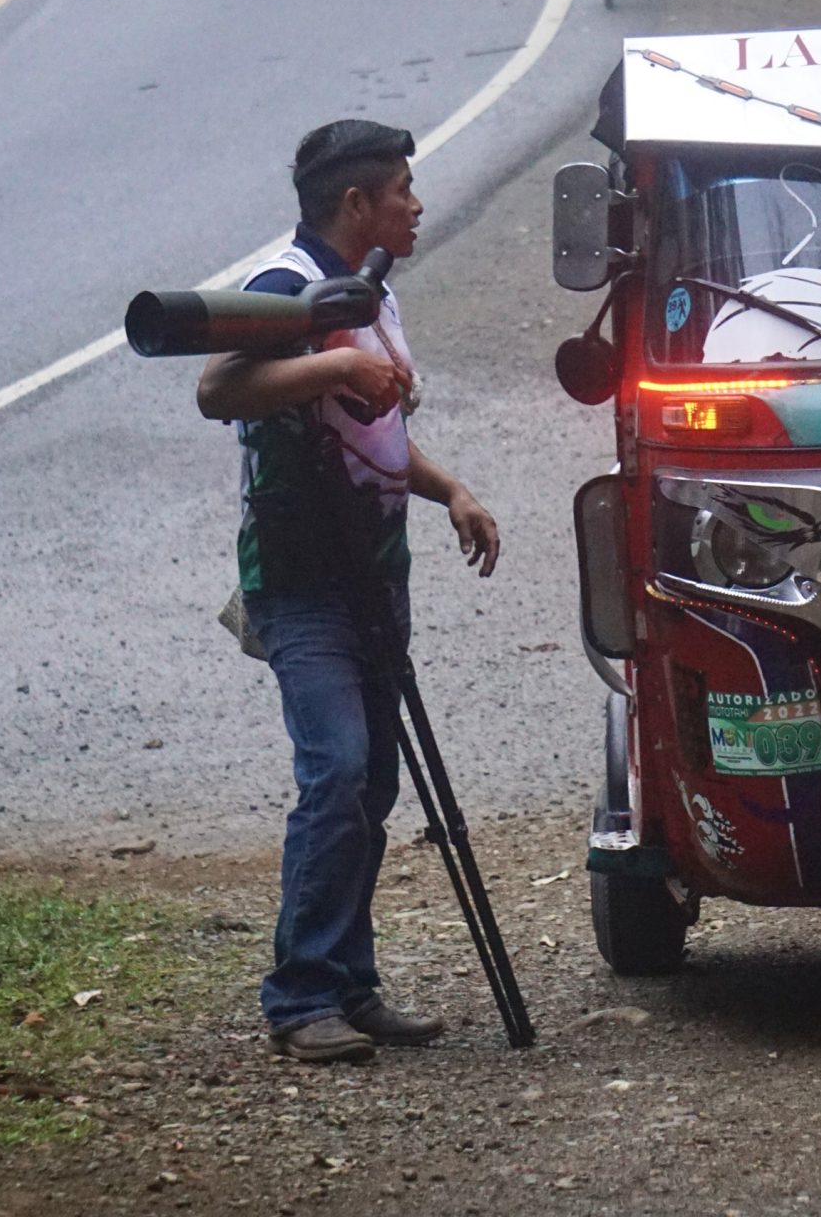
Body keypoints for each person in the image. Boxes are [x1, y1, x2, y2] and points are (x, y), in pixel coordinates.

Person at [196, 119, 500, 1066]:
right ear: (357, 203)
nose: (417, 204)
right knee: (336, 771)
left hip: (373, 573)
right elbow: (217, 390)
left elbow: (370, 434)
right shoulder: (284, 284)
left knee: (370, 783)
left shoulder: (372, 292)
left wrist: (450, 490)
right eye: (403, 189)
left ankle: (347, 984)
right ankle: (299, 1000)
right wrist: (333, 362)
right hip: (301, 581)